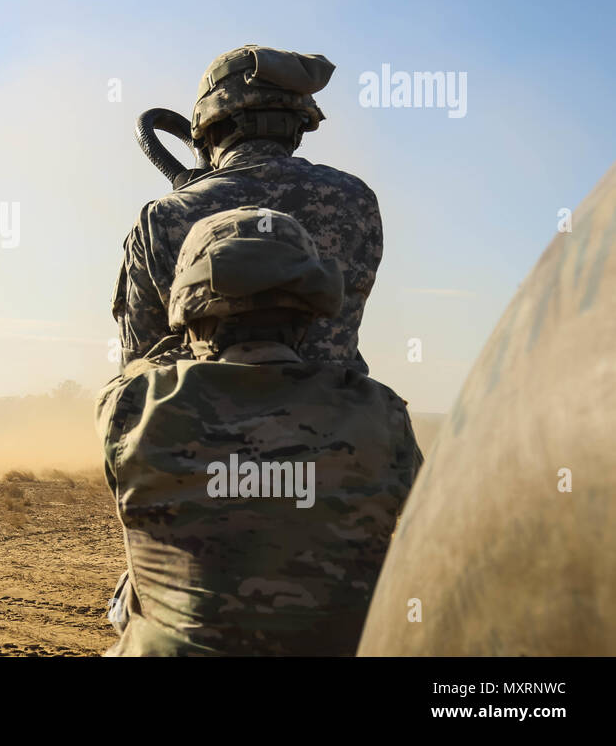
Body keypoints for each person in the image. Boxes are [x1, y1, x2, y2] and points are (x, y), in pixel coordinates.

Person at [98, 207, 423, 656]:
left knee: (129, 603)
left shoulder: (136, 405)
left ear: (189, 307)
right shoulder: (379, 412)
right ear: (311, 309)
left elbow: (145, 357)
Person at [115, 45, 381, 373]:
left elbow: (139, 363)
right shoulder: (355, 200)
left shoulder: (164, 216)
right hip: (337, 418)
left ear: (208, 128)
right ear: (298, 126)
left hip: (198, 421)